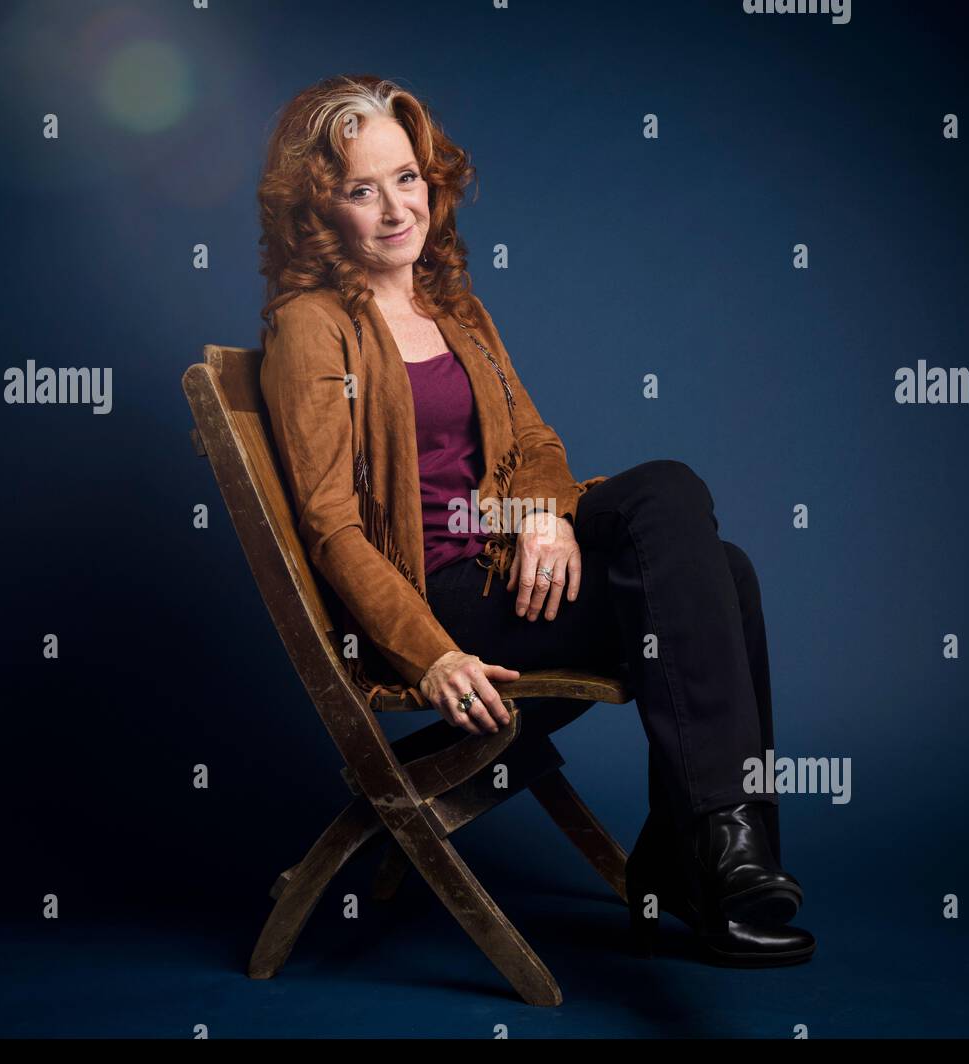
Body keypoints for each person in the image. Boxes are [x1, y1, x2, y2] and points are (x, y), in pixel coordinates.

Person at [257, 74, 814, 969]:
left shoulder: (454, 307)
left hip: (517, 560)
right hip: (450, 601)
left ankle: (707, 852)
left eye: (408, 177)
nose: (397, 207)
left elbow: (535, 441)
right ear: (320, 209)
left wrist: (547, 517)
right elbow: (330, 528)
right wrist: (430, 654)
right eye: (362, 190)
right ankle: (718, 862)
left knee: (681, 502)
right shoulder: (312, 328)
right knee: (723, 575)